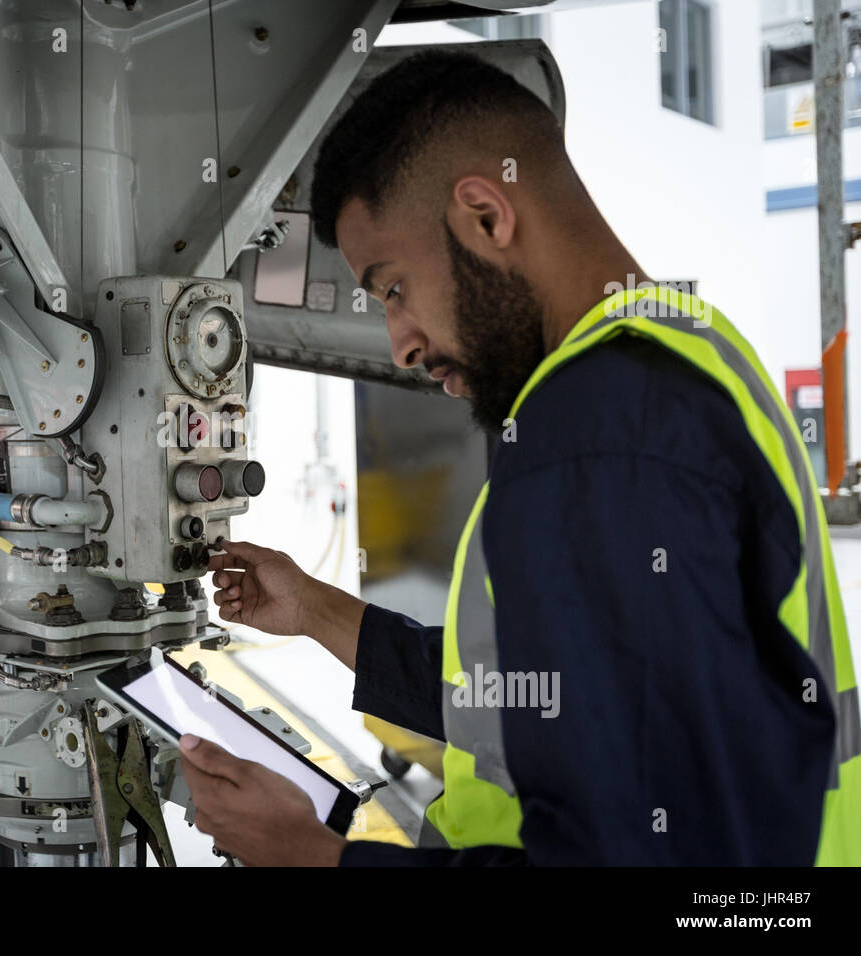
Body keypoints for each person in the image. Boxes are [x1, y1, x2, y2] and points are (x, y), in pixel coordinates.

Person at [178, 49, 861, 866]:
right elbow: (553, 697)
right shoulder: (679, 349)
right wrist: (317, 612)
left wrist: (317, 857)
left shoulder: (592, 436)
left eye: (392, 288)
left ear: (486, 216)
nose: (399, 345)